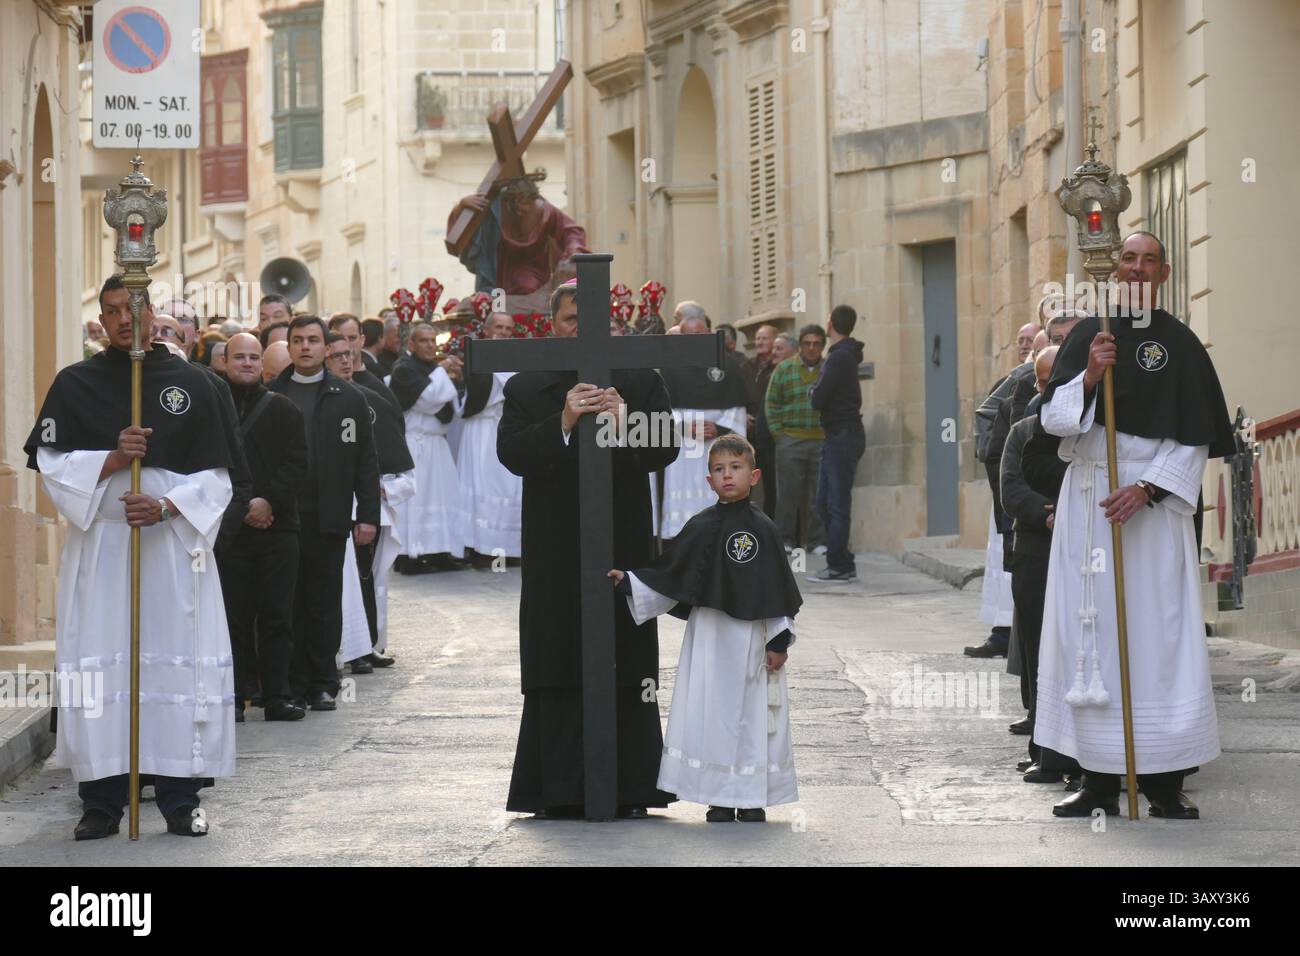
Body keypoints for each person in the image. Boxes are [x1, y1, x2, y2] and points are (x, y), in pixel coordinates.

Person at [25, 274, 238, 839]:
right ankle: (101, 801)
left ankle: (180, 799)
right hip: (103, 548)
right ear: (101, 319)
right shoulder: (75, 383)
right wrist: (113, 460)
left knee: (176, 667)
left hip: (171, 550)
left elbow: (219, 477)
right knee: (102, 667)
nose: (125, 319)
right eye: (113, 310)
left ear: (150, 312)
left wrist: (167, 506)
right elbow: (51, 466)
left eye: (134, 307)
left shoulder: (194, 384)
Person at [1038, 232, 1234, 820]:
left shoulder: (1182, 344)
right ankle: (1097, 779)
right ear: (1115, 268)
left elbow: (1195, 437)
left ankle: (1164, 781)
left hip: (1150, 512)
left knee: (1158, 634)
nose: (1137, 268)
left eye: (1149, 260)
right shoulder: (1089, 335)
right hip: (1091, 500)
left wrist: (1146, 489)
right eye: (1128, 259)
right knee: (1091, 631)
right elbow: (1053, 421)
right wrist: (1089, 377)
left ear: (1163, 273)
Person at [498, 281, 679, 818]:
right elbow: (512, 453)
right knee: (557, 651)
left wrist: (628, 422)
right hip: (555, 545)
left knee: (626, 652)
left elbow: (665, 448)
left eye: (594, 318)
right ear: (554, 324)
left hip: (622, 540)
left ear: (615, 323)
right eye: (572, 319)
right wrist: (563, 421)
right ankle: (556, 789)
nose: (583, 329)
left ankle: (631, 786)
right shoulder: (528, 383)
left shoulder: (641, 378)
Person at [609, 435, 801, 822]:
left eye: (736, 467)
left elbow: (777, 587)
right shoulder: (700, 526)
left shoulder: (764, 529)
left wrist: (779, 641)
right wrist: (632, 582)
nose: (728, 475)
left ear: (754, 476)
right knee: (712, 716)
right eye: (719, 469)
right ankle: (719, 798)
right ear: (709, 480)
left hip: (752, 643)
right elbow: (672, 572)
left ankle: (751, 799)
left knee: (752, 718)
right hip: (710, 640)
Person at [268, 315, 381, 712]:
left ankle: (323, 682)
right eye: (298, 340)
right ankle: (292, 685)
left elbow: (366, 461)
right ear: (290, 346)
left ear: (326, 347)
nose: (305, 347)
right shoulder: (272, 395)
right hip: (282, 518)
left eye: (313, 340)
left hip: (329, 516)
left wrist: (368, 515)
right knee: (287, 603)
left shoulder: (349, 397)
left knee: (324, 602)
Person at [216, 333, 309, 723]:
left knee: (277, 616)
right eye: (240, 357)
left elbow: (297, 463)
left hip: (277, 529)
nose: (247, 363)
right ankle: (234, 697)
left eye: (254, 357)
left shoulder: (285, 410)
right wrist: (242, 508)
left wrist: (268, 501)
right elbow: (207, 465)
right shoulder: (212, 410)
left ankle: (277, 696)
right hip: (229, 532)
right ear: (225, 362)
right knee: (232, 618)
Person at [999, 345, 1081, 784]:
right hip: (1035, 551)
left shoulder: (1087, 429)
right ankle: (1043, 749)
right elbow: (1011, 490)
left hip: (1082, 553)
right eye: (1043, 382)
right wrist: (1048, 514)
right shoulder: (1023, 431)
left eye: (1057, 381)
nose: (1049, 390)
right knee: (1036, 650)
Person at [323, 335, 415, 673]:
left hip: (361, 508)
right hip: (323, 505)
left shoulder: (370, 401)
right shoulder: (311, 401)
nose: (345, 361)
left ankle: (365, 646)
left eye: (350, 354)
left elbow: (398, 468)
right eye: (336, 356)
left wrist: (379, 491)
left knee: (364, 578)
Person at [656, 304, 748, 540]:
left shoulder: (729, 365)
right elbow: (659, 410)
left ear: (708, 332)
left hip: (719, 446)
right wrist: (683, 427)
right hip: (682, 450)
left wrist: (720, 428)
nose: (696, 340)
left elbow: (737, 409)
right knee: (682, 503)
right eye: (690, 335)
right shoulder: (668, 367)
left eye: (700, 334)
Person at [390, 322, 466, 571]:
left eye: (433, 341)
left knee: (443, 499)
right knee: (415, 501)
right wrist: (443, 373)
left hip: (437, 445)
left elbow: (452, 406)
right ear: (411, 344)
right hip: (415, 444)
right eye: (424, 340)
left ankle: (440, 551)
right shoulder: (404, 369)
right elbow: (429, 399)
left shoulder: (434, 368)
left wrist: (453, 379)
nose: (430, 346)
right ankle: (409, 555)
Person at [450, 174, 589, 311]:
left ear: (533, 199)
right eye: (517, 205)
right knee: (487, 299)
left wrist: (573, 251)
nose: (522, 210)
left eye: (527, 203)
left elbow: (571, 231)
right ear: (510, 202)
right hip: (500, 267)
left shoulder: (545, 212)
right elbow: (460, 233)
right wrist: (461, 207)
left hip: (531, 266)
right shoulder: (496, 211)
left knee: (527, 285)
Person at [458, 312, 524, 564]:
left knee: (507, 486)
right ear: (486, 330)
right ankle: (480, 546)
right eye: (499, 327)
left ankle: (509, 548)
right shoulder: (476, 357)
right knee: (482, 486)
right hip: (481, 431)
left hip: (505, 427)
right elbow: (470, 395)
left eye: (508, 328)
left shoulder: (517, 358)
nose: (503, 332)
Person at [807, 305, 865, 582]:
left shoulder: (839, 357)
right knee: (823, 503)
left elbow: (819, 398)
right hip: (838, 435)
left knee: (836, 504)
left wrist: (812, 391)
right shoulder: (842, 355)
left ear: (830, 323)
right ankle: (842, 559)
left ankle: (838, 565)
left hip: (842, 435)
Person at [766, 324, 827, 555]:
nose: (812, 348)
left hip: (821, 439)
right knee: (787, 494)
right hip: (790, 440)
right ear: (800, 345)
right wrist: (779, 435)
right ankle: (785, 539)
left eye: (817, 343)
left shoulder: (828, 369)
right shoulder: (784, 369)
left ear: (822, 346)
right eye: (807, 343)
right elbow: (771, 403)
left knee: (819, 494)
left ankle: (817, 541)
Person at [741, 324, 779, 518]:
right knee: (744, 484)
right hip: (747, 435)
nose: (759, 342)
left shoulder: (779, 366)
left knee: (773, 486)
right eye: (757, 338)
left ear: (775, 341)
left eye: (764, 338)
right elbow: (737, 394)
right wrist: (742, 415)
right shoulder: (746, 366)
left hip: (770, 436)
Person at [328, 313, 400, 410]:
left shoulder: (379, 390)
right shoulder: (320, 384)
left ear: (362, 340)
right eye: (340, 339)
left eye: (352, 338)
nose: (346, 344)